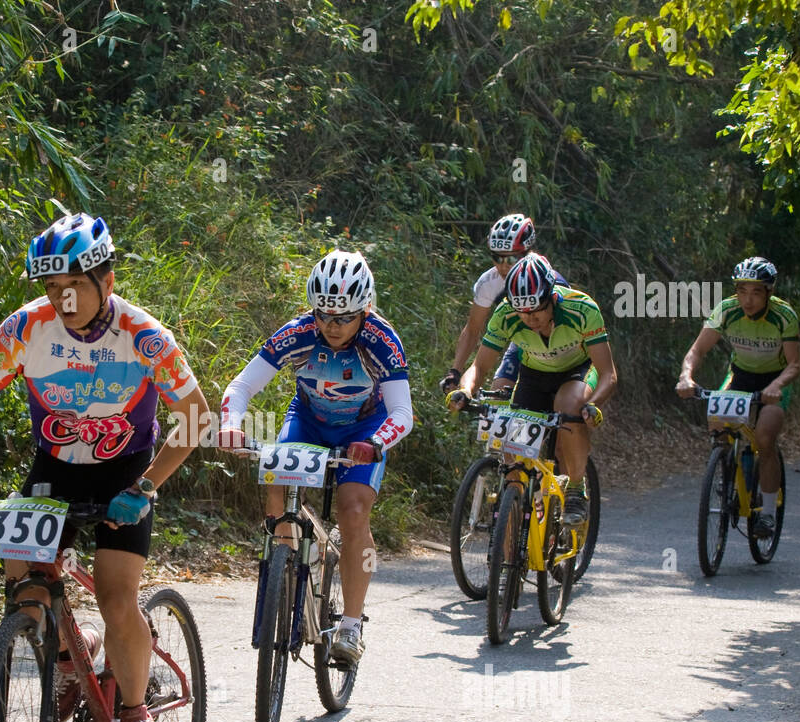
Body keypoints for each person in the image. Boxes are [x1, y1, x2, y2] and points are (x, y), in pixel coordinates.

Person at [0, 212, 210, 722]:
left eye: (75, 284)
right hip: (54, 467)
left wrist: (146, 487)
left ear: (108, 280)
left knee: (115, 595)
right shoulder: (25, 329)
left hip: (124, 472)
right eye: (52, 287)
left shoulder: (144, 337)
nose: (63, 299)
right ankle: (73, 662)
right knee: (23, 581)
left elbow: (197, 418)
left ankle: (134, 713)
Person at [216, 250, 413, 664]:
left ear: (365, 310)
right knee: (277, 488)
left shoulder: (381, 341)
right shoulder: (298, 333)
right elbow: (242, 386)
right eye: (323, 315)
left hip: (363, 429)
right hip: (307, 419)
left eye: (343, 317)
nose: (332, 326)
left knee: (353, 511)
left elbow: (402, 413)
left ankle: (352, 625)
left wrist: (376, 442)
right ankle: (288, 573)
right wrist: (231, 423)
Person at [448, 251, 617, 524]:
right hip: (533, 375)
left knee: (569, 406)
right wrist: (465, 390)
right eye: (522, 311)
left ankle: (575, 487)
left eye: (536, 309)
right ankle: (510, 543)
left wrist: (592, 405)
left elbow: (609, 373)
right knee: (513, 467)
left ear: (552, 296)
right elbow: (479, 367)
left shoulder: (582, 309)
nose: (529, 318)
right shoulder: (506, 314)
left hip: (578, 370)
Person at [675, 256, 800, 538]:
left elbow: (795, 364)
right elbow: (697, 351)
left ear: (769, 292)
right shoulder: (726, 310)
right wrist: (686, 377)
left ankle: (767, 513)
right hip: (740, 375)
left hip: (776, 379)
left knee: (765, 437)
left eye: (756, 292)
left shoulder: (784, 315)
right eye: (742, 290)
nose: (748, 300)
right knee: (718, 425)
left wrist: (777, 386)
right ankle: (727, 467)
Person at [441, 213, 569, 395]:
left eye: (510, 259)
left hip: (559, 343)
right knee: (497, 395)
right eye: (496, 258)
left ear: (527, 253)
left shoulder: (547, 279)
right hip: (522, 340)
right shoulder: (489, 283)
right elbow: (472, 330)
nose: (502, 266)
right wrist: (455, 371)